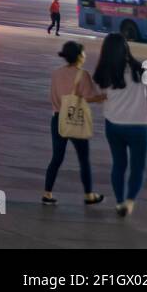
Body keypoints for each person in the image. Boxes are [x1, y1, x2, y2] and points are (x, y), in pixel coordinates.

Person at [93, 33, 147, 216]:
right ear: (126, 49)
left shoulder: (103, 72)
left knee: (118, 164)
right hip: (138, 127)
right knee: (137, 166)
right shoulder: (140, 69)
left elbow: (101, 97)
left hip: (113, 125)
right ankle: (130, 200)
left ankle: (119, 202)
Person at [43, 41, 105, 206]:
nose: (85, 56)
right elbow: (88, 97)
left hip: (57, 118)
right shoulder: (82, 74)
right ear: (78, 56)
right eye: (83, 53)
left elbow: (54, 96)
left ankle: (47, 193)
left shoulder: (56, 74)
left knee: (56, 157)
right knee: (83, 158)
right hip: (75, 119)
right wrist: (103, 97)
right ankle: (88, 194)